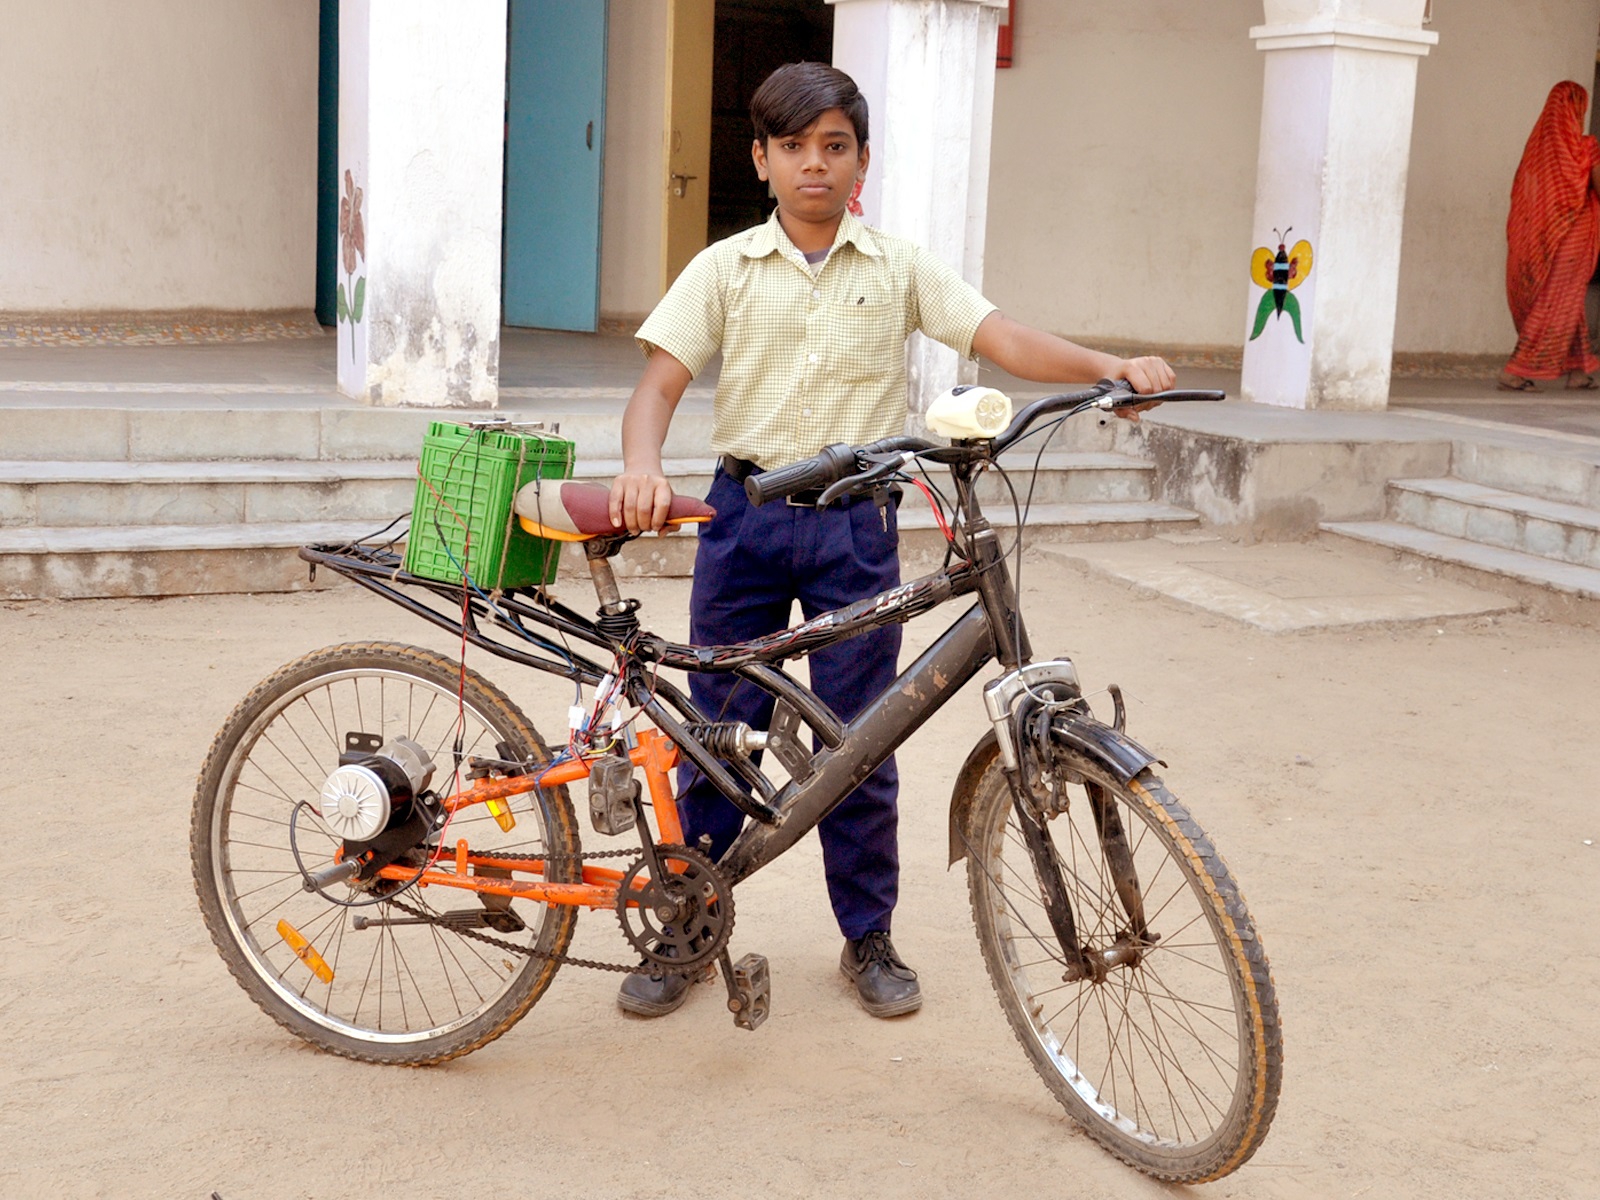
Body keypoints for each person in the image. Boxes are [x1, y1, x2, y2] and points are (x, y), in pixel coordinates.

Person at [608, 61, 1174, 1019]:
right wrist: (640, 464)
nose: (813, 166)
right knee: (716, 730)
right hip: (742, 524)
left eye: (834, 147)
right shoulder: (723, 269)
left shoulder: (901, 266)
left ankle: (866, 935)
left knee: (861, 738)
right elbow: (658, 386)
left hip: (856, 531)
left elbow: (1001, 337)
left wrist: (1107, 364)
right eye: (792, 148)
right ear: (761, 160)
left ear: (861, 161)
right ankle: (690, 921)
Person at [1500, 80, 1600, 391]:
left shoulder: (1538, 151)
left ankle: (1578, 371)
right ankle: (1514, 369)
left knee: (1565, 303)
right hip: (1574, 239)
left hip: (1544, 239)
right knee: (1557, 304)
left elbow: (1525, 197)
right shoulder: (1586, 147)